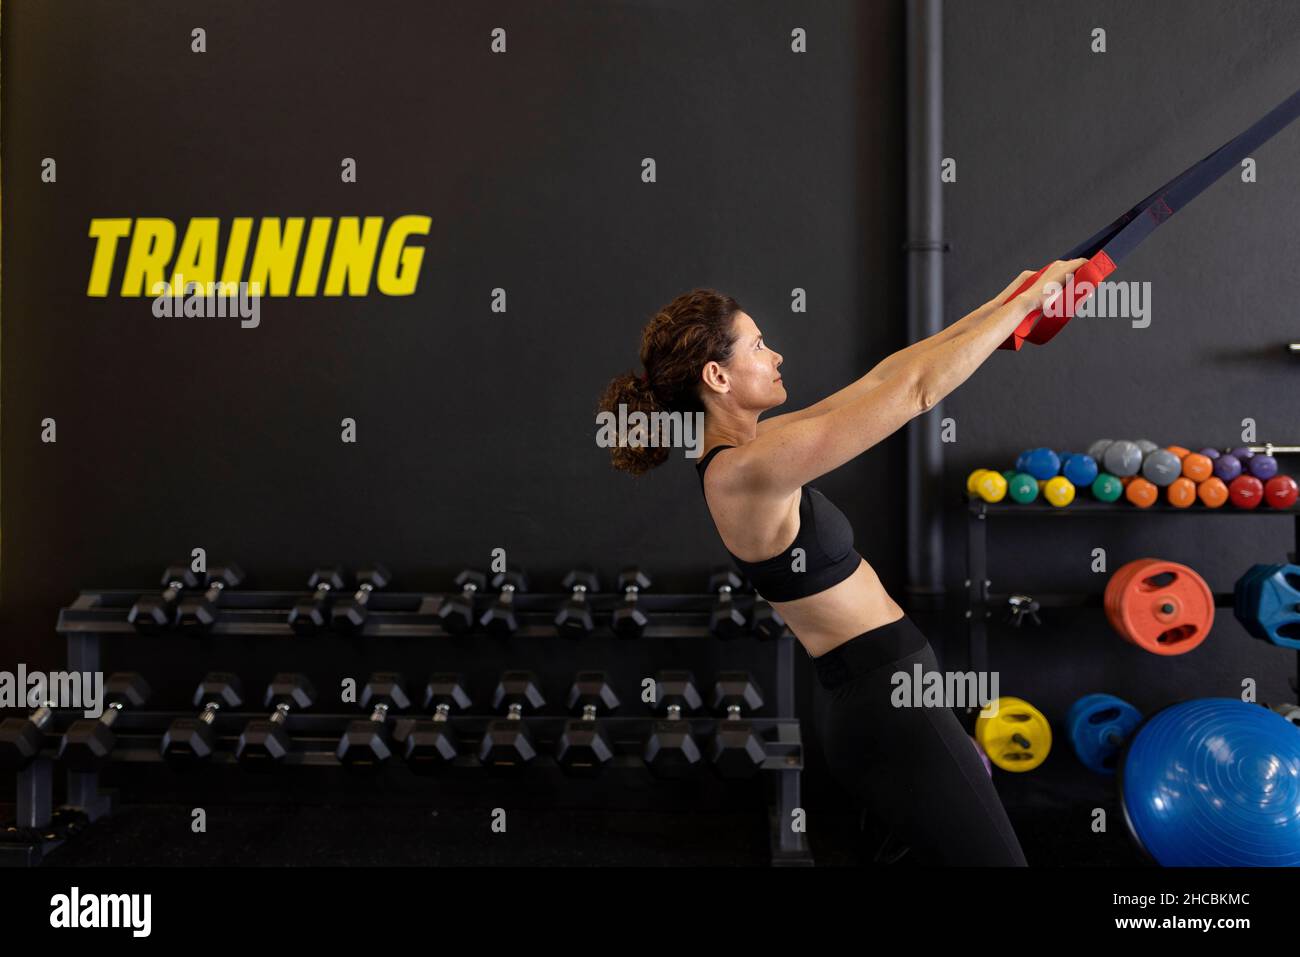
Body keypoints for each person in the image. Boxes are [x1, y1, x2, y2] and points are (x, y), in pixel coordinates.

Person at [597, 260, 1086, 865]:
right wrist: (1026, 303)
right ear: (718, 375)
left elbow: (888, 376)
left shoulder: (754, 449)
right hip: (890, 705)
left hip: (890, 697)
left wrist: (1006, 300)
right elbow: (917, 394)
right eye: (758, 344)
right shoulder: (744, 471)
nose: (775, 355)